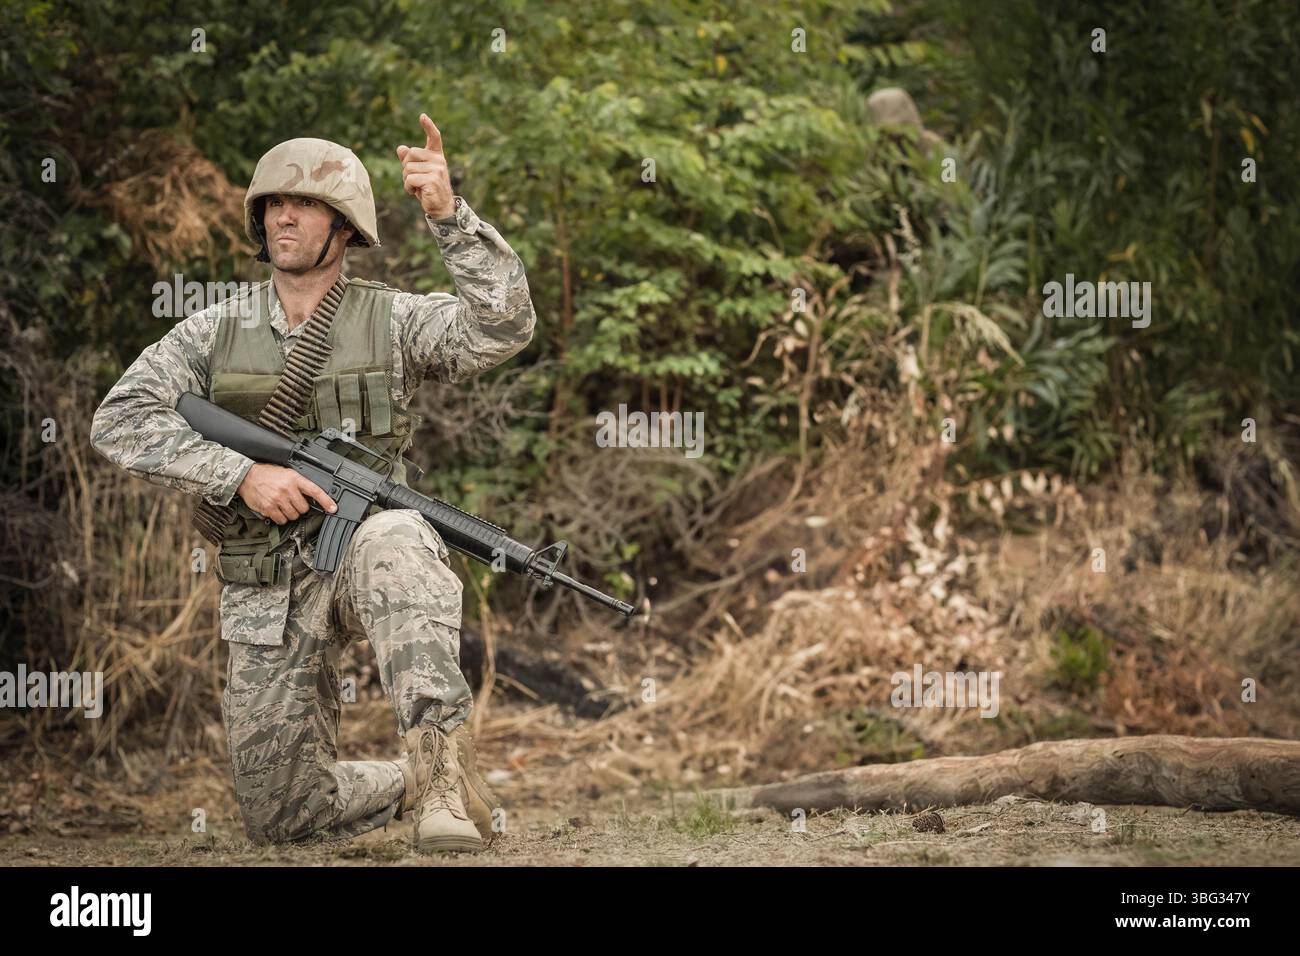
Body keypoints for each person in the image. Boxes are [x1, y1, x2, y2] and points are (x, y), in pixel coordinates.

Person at [90, 114, 536, 854]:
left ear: (346, 227)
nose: (282, 216)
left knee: (398, 536)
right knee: (281, 817)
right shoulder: (213, 333)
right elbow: (119, 418)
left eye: (304, 204)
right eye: (271, 204)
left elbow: (503, 326)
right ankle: (398, 782)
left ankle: (439, 781)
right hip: (266, 583)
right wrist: (238, 474)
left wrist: (450, 218)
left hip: (364, 553)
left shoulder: (392, 320)